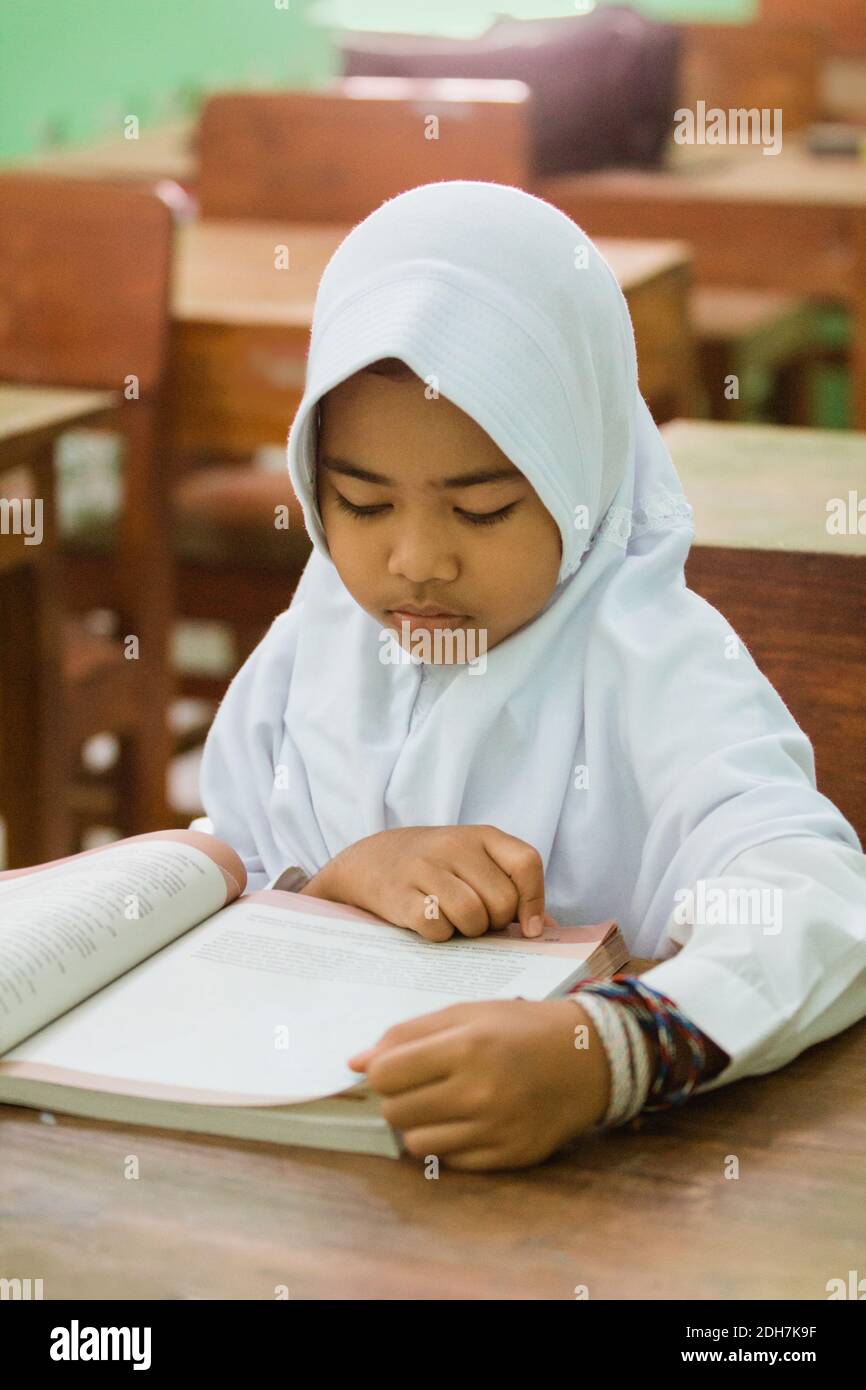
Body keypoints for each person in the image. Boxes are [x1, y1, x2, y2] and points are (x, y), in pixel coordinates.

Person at [191, 181, 866, 1171]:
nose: (416, 560)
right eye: (362, 505)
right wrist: (333, 881)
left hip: (591, 1204)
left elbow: (815, 905)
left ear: (581, 477)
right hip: (320, 1176)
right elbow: (227, 872)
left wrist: (608, 1049)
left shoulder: (653, 663)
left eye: (482, 509)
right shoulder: (312, 644)